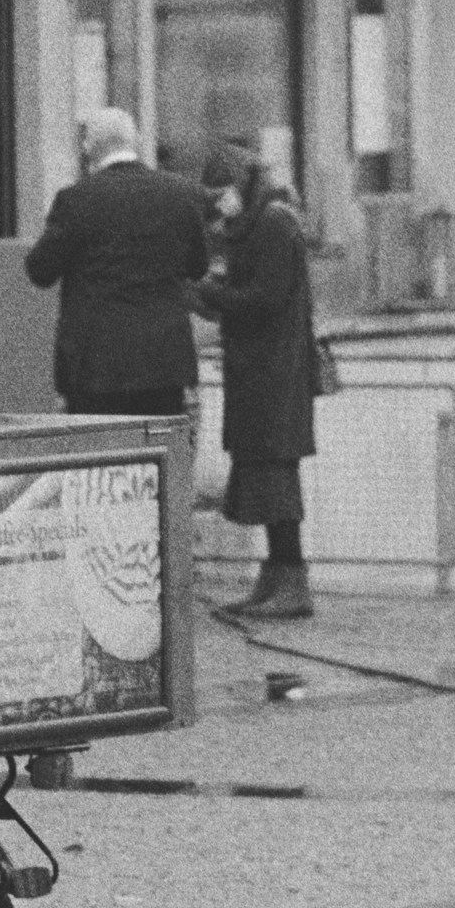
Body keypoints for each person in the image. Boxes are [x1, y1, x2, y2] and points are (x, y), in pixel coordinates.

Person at [22, 105, 209, 420]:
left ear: (88, 147)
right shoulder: (182, 194)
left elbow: (40, 271)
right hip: (164, 363)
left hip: (95, 366)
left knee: (101, 463)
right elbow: (197, 267)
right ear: (134, 141)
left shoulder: (76, 200)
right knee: (158, 461)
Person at [195, 146, 318, 620]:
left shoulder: (273, 223)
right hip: (260, 370)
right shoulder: (257, 224)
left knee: (275, 476)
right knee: (264, 475)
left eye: (222, 193)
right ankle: (276, 576)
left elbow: (264, 299)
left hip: (275, 374)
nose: (220, 205)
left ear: (240, 183)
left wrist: (211, 292)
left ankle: (291, 581)